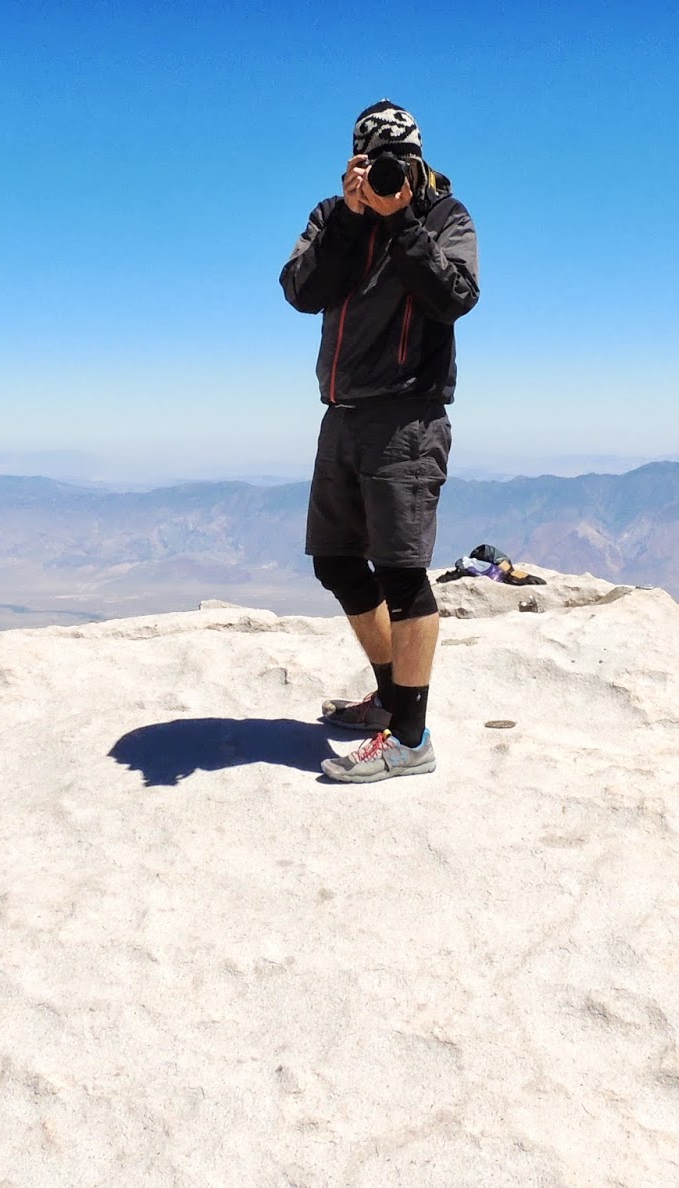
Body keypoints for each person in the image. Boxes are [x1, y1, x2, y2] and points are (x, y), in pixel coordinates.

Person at [279, 100, 479, 783]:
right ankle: (392, 698)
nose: (387, 172)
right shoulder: (334, 216)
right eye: (372, 160)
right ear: (353, 162)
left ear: (420, 160)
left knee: (400, 573)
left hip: (407, 418)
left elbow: (453, 297)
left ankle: (412, 737)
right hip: (342, 415)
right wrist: (352, 218)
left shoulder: (446, 219)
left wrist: (402, 223)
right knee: (336, 561)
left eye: (398, 160)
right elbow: (301, 292)